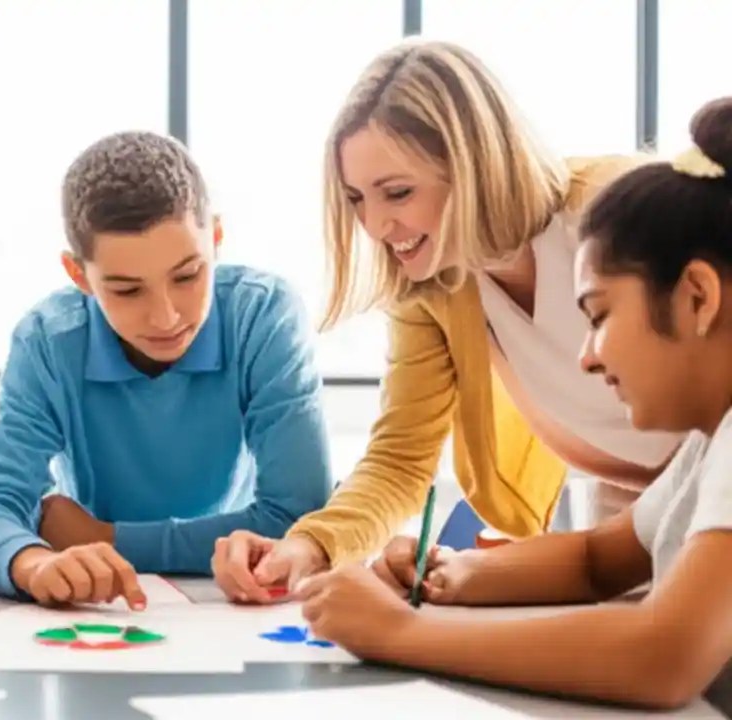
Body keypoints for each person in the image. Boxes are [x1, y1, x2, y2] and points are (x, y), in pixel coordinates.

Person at [294, 96, 732, 714]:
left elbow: (664, 655)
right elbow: (594, 557)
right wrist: (455, 573)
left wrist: (402, 634)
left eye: (599, 316)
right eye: (357, 199)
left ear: (697, 297)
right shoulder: (709, 447)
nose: (585, 357)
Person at [211, 38, 684, 603]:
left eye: (398, 193)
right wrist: (308, 546)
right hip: (636, 512)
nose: (376, 226)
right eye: (357, 198)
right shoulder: (432, 288)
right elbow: (400, 459)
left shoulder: (617, 208)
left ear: (476, 162)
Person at [0, 130, 332, 605]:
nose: (166, 317)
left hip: (235, 602)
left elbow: (301, 519)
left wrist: (104, 537)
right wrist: (37, 562)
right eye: (127, 291)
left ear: (215, 239)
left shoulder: (263, 316)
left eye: (188, 275)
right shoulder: (48, 341)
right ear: (78, 276)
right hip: (102, 606)